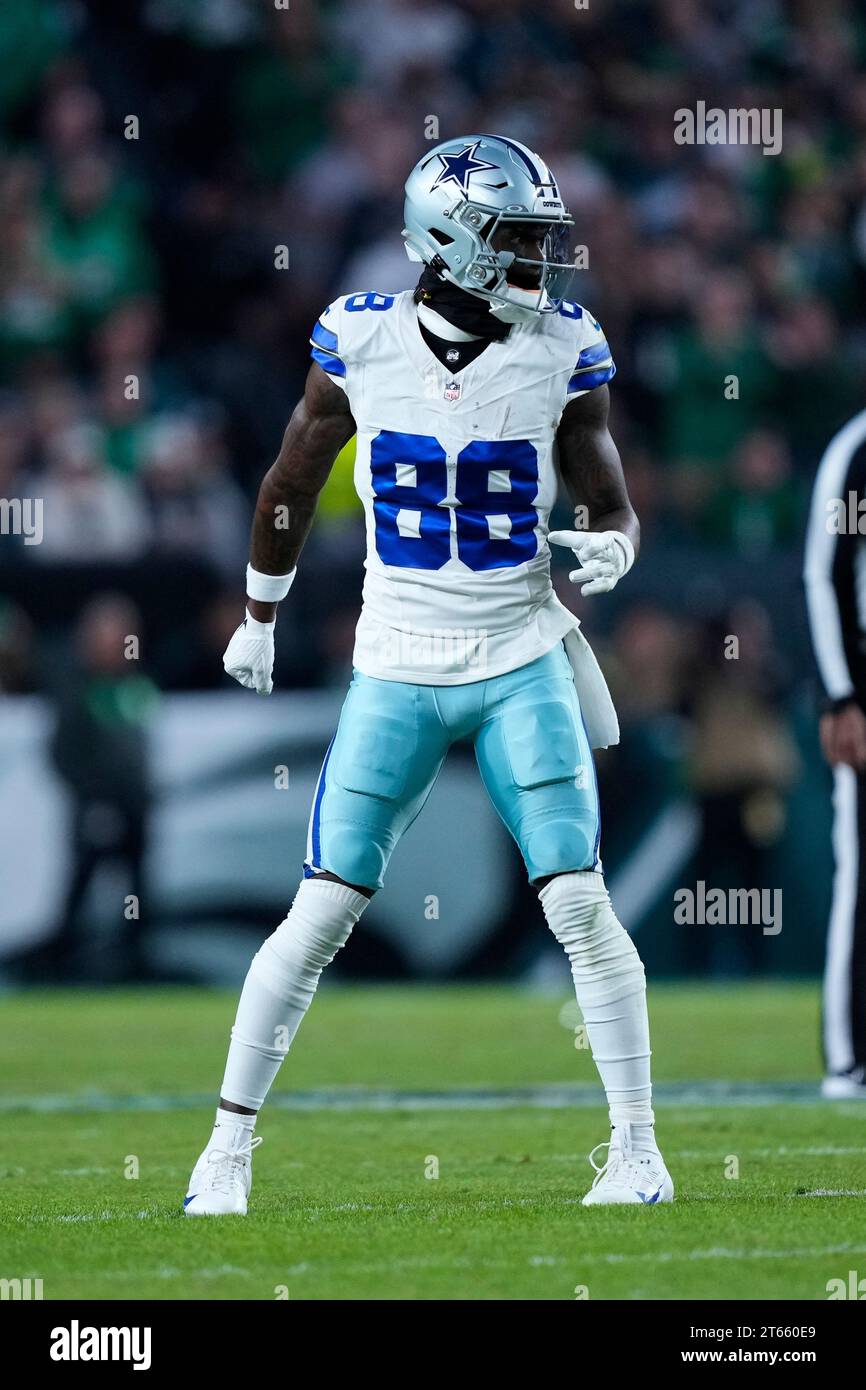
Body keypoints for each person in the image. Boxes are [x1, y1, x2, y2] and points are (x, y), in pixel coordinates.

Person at [183, 135, 673, 1214]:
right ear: (448, 238)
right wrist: (259, 613)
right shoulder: (360, 340)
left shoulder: (563, 346)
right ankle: (223, 1153)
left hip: (517, 655)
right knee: (318, 912)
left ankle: (636, 1147)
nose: (540, 260)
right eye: (517, 237)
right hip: (397, 662)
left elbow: (606, 495)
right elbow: (289, 480)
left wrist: (618, 543)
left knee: (581, 903)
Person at [804, 407, 866, 1098]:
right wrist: (841, 695)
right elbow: (824, 572)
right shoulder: (857, 451)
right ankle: (850, 1056)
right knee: (860, 874)